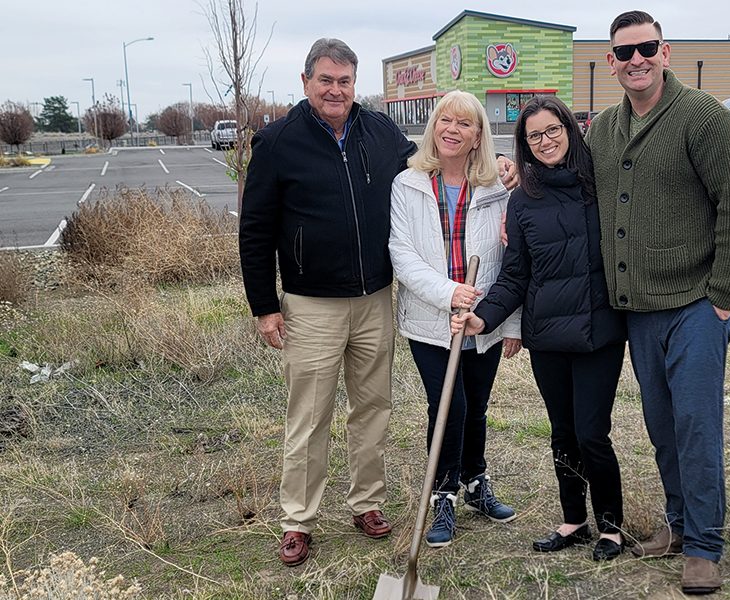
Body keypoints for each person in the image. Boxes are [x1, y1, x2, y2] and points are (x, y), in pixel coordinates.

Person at [239, 39, 518, 568]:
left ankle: (366, 503)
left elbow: (439, 153)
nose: (335, 90)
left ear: (354, 83)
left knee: (372, 409)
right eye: (325, 80)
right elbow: (255, 230)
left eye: (344, 81)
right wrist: (264, 305)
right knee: (310, 415)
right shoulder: (277, 143)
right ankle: (298, 519)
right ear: (306, 81)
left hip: (374, 299)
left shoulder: (380, 132)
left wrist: (500, 162)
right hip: (311, 303)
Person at [585, 11, 730, 594]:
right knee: (662, 425)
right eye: (624, 52)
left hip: (695, 305)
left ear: (665, 52)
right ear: (610, 61)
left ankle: (705, 547)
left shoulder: (705, 119)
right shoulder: (603, 129)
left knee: (696, 425)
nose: (636, 59)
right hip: (638, 308)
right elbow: (575, 188)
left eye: (647, 48)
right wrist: (517, 184)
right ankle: (679, 525)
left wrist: (722, 296)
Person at [452, 95, 628, 561]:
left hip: (598, 331)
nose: (546, 141)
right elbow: (515, 275)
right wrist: (484, 317)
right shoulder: (522, 201)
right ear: (524, 144)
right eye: (534, 136)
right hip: (548, 336)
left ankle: (611, 526)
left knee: (592, 432)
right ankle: (574, 520)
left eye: (553, 130)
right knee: (562, 431)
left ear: (569, 129)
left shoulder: (601, 185)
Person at [389, 90, 521, 548]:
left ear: (478, 136)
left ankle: (475, 481)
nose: (452, 130)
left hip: (483, 320)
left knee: (477, 406)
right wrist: (449, 294)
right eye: (445, 120)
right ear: (433, 127)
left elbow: (510, 260)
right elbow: (402, 254)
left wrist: (510, 323)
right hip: (431, 321)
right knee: (449, 406)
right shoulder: (407, 185)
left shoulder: (497, 188)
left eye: (464, 123)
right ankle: (443, 492)